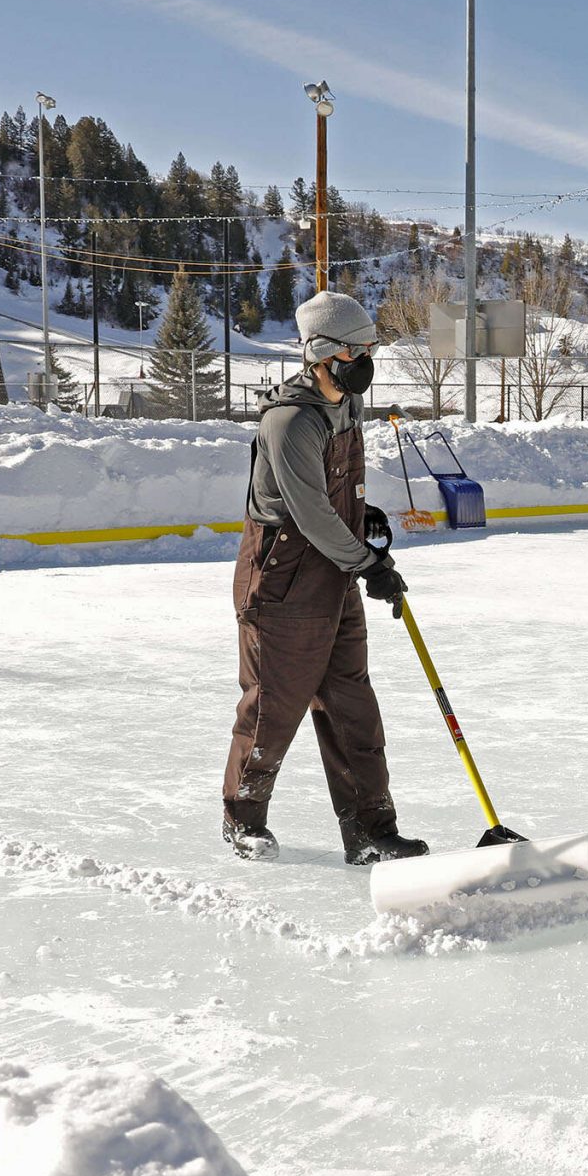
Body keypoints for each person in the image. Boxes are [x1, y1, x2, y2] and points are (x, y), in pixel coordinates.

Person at [221, 290, 431, 866]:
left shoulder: (347, 406)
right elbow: (308, 509)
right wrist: (368, 562)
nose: (368, 359)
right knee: (274, 704)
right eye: (358, 349)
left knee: (351, 704)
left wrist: (361, 515)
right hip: (284, 574)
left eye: (370, 348)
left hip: (333, 567)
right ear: (324, 354)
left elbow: (333, 495)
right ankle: (243, 820)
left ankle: (370, 830)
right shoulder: (290, 420)